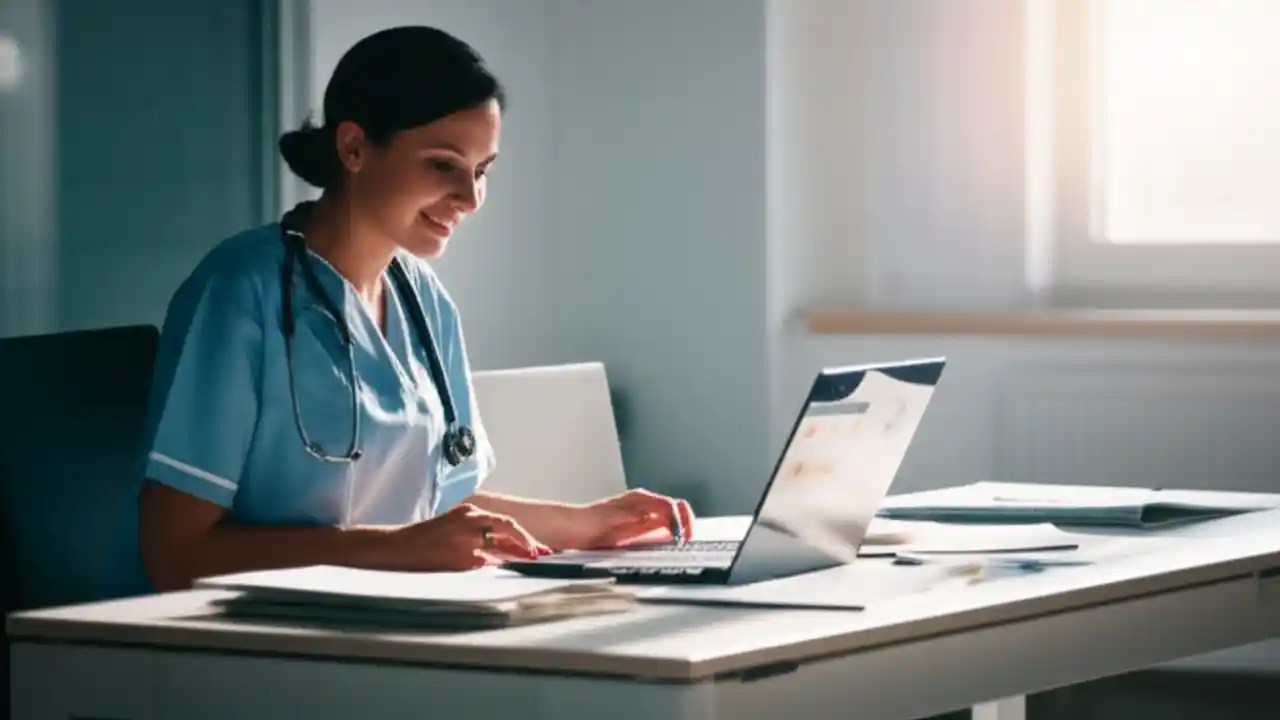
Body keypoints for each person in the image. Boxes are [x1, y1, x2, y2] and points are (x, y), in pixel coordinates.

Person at [138, 26, 694, 592]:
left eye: (481, 171)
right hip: (260, 632)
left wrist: (586, 524)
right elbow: (175, 555)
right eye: (444, 165)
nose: (470, 198)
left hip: (399, 612)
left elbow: (434, 507)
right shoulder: (240, 291)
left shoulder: (425, 302)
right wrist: (398, 549)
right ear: (353, 148)